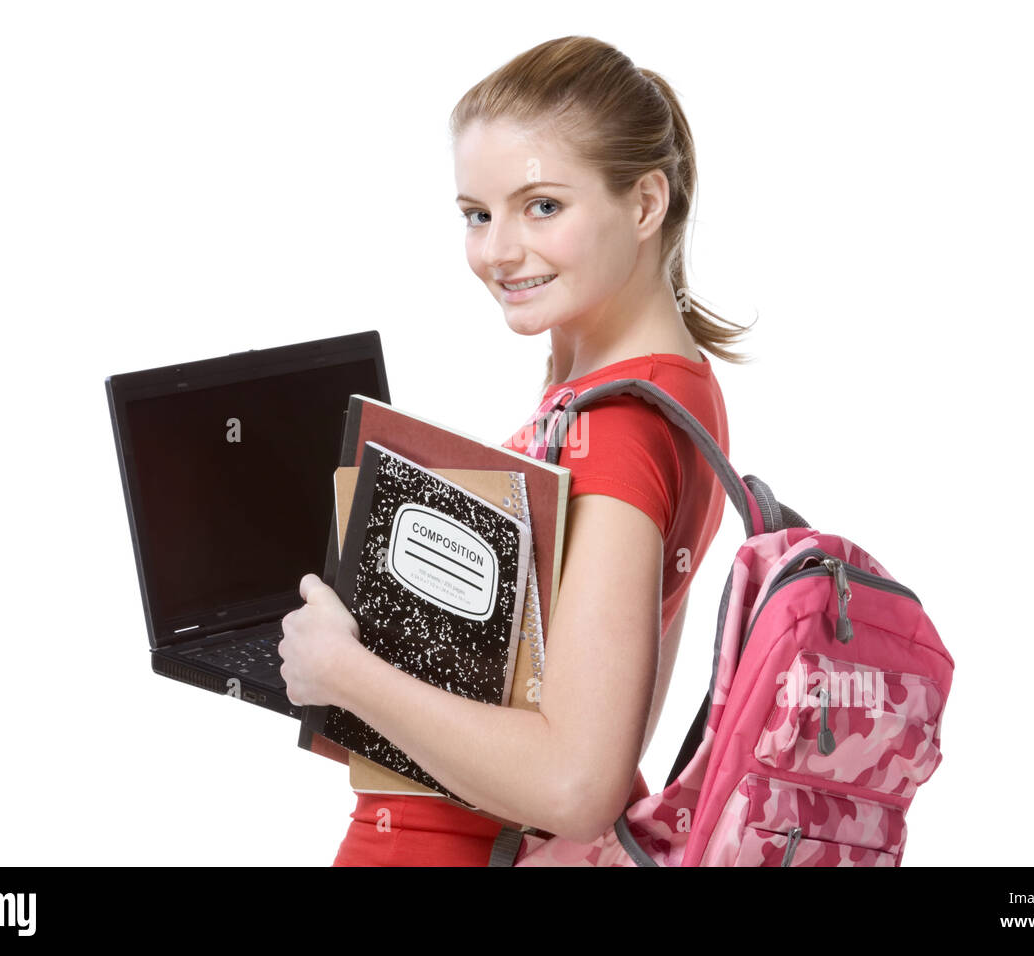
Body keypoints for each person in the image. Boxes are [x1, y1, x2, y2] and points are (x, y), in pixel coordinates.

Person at [277, 35, 754, 866]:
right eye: (477, 213)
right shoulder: (638, 386)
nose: (497, 250)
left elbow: (579, 782)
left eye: (542, 206)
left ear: (645, 204)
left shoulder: (623, 422)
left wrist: (344, 675)